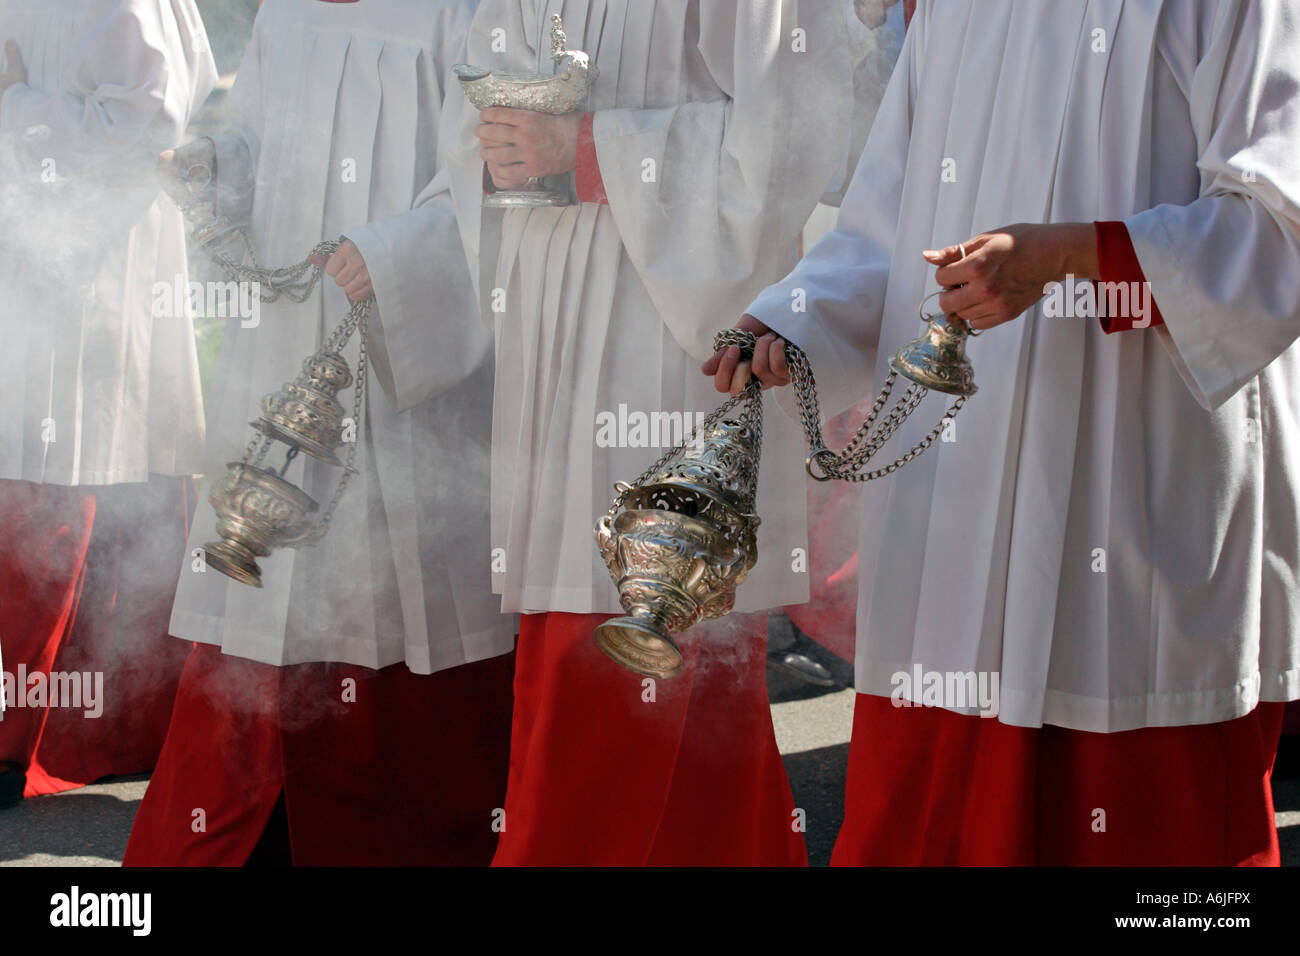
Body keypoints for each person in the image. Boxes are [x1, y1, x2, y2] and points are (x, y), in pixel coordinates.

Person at [708, 0, 1300, 865]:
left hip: (1134, 464)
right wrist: (795, 321)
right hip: (956, 489)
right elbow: (886, 227)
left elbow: (1274, 225)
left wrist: (1075, 255)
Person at [450, 0, 896, 865]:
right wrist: (499, 150)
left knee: (636, 652)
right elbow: (473, 102)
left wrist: (587, 152)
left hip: (659, 334)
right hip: (553, 307)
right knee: (597, 663)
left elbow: (795, 132)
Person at [123, 0, 516, 866]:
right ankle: (253, 828)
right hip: (283, 332)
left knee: (398, 578)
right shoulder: (287, 8)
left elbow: (494, 171)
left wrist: (398, 254)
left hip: (401, 338)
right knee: (264, 563)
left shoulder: (467, 10)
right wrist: (219, 166)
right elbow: (263, 138)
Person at [0, 0, 215, 809]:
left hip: (86, 268)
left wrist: (15, 108)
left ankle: (28, 739)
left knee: (56, 482)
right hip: (28, 254)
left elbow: (148, 121)